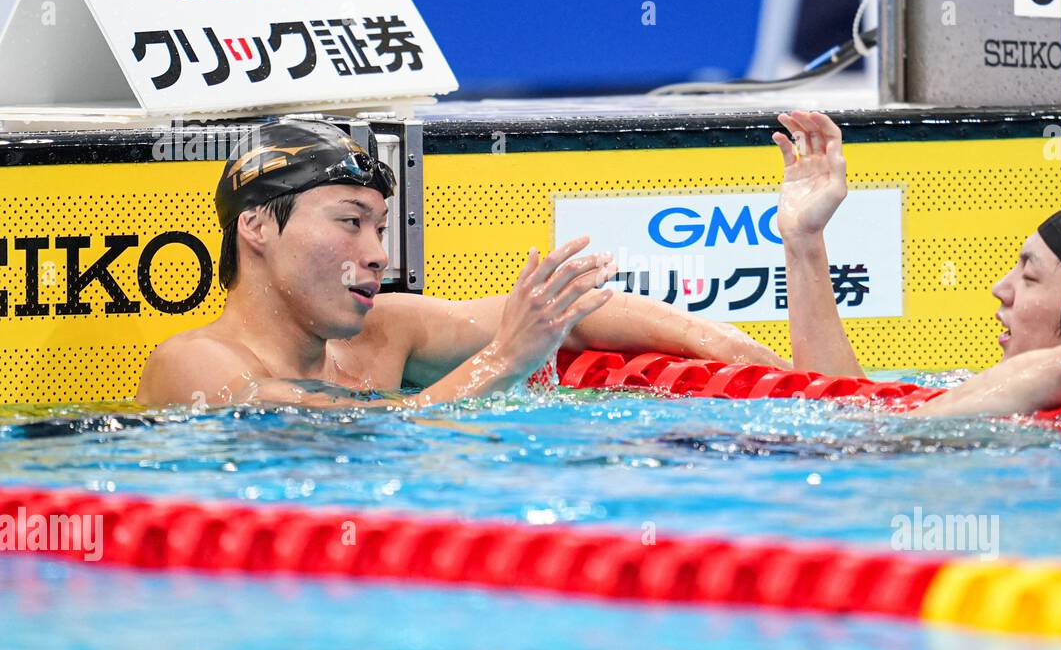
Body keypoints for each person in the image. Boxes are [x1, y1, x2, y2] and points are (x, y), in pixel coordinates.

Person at [135, 119, 786, 409]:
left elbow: (587, 314)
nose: (376, 254)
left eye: (381, 228)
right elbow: (351, 435)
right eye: (348, 222)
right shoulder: (194, 365)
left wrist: (754, 363)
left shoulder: (385, 332)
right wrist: (508, 358)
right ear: (255, 227)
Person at [771, 110, 1061, 416]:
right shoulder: (1003, 403)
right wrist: (804, 241)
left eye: (1030, 276)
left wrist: (880, 433)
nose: (1001, 287)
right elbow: (850, 407)